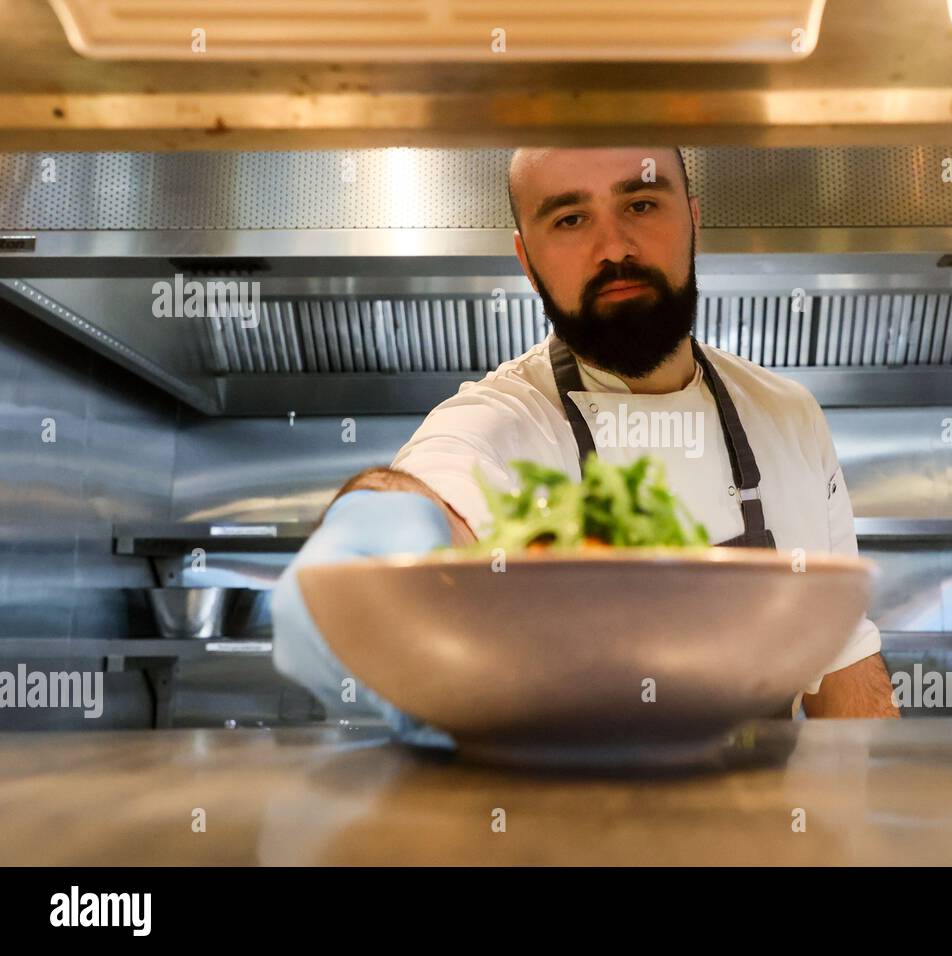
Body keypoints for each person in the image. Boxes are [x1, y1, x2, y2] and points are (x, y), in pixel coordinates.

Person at [271, 146, 899, 736]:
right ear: (526, 259)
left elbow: (843, 660)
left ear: (693, 219)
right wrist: (382, 517)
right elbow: (440, 490)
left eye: (642, 204)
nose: (614, 247)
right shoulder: (504, 419)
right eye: (570, 218)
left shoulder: (790, 417)